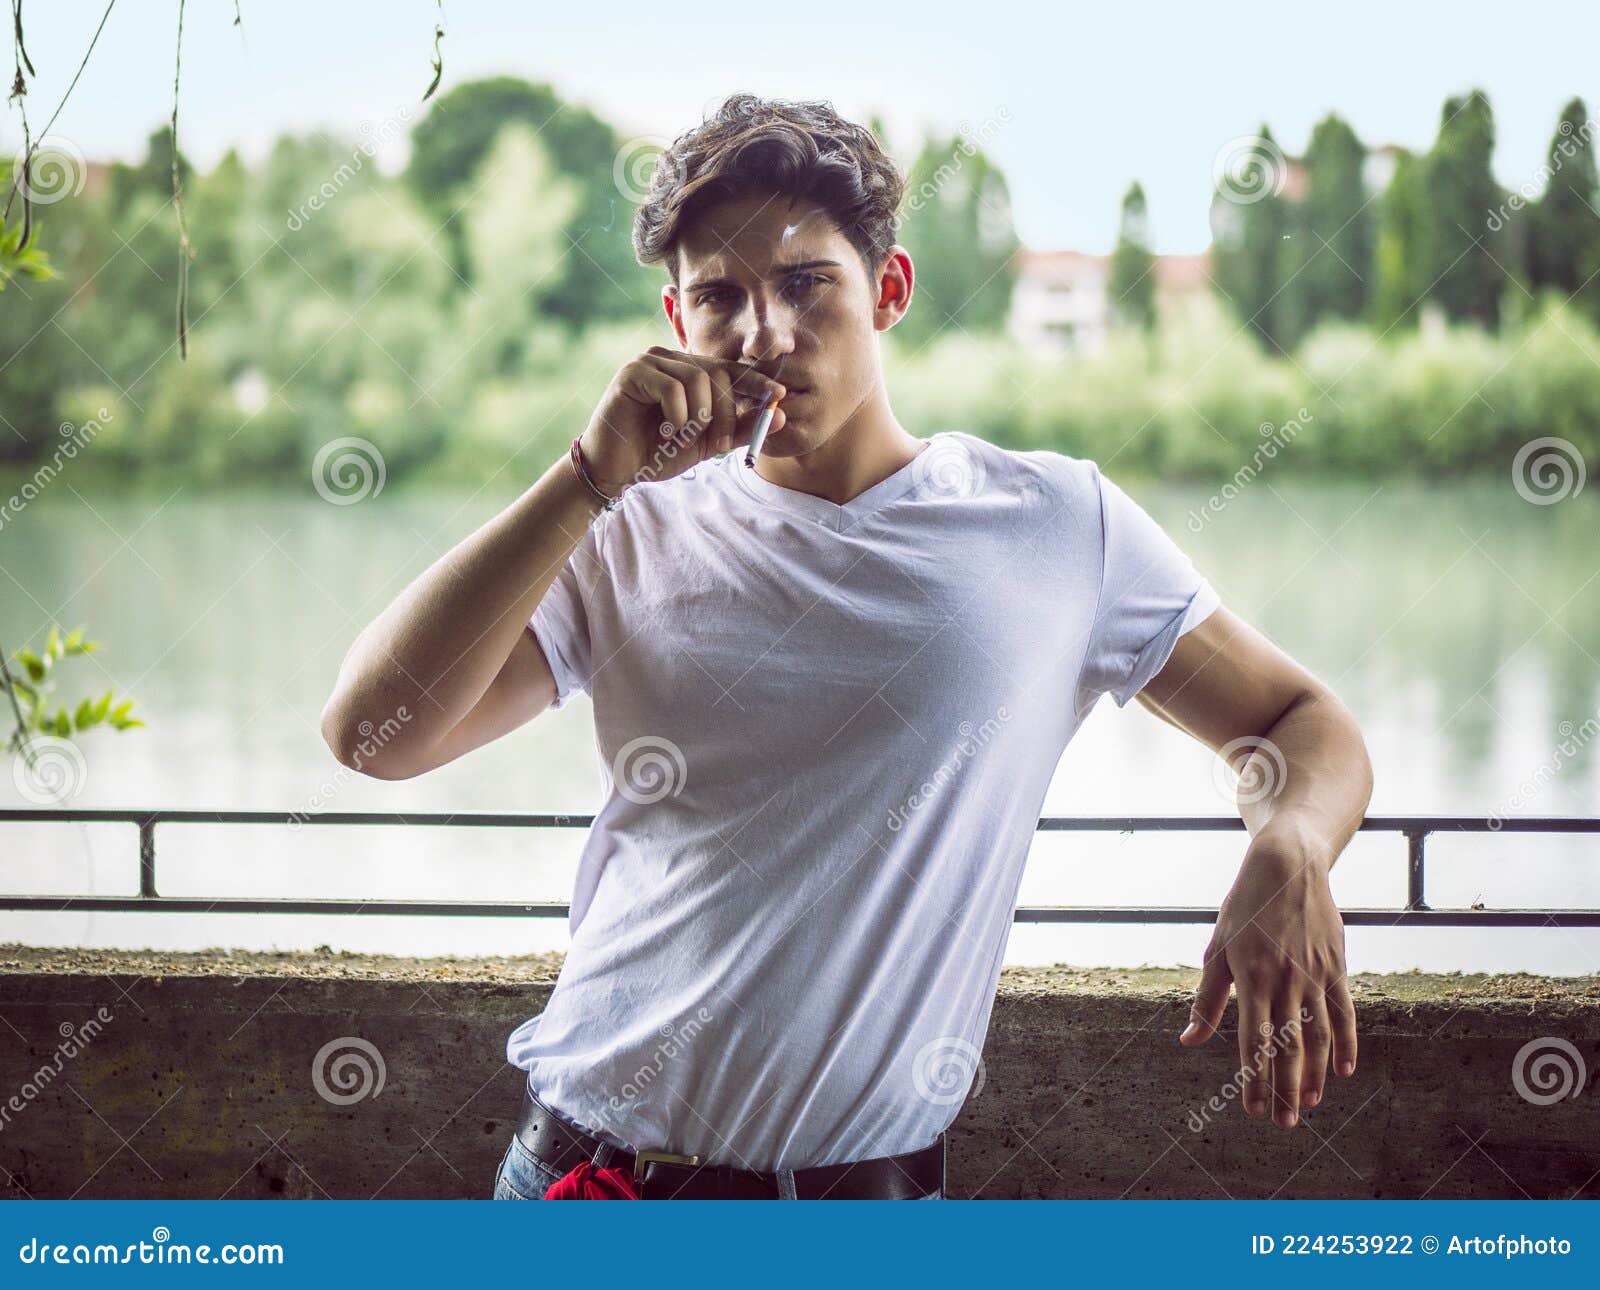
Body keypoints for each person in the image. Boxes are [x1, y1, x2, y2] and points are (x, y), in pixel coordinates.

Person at [320, 93, 1374, 1200]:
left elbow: (1301, 725)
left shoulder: (1057, 524)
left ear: (888, 290)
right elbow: (373, 738)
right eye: (719, 296)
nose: (763, 334)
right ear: (676, 325)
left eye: (804, 284)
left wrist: (1291, 848)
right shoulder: (624, 524)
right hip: (585, 1183)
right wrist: (588, 475)